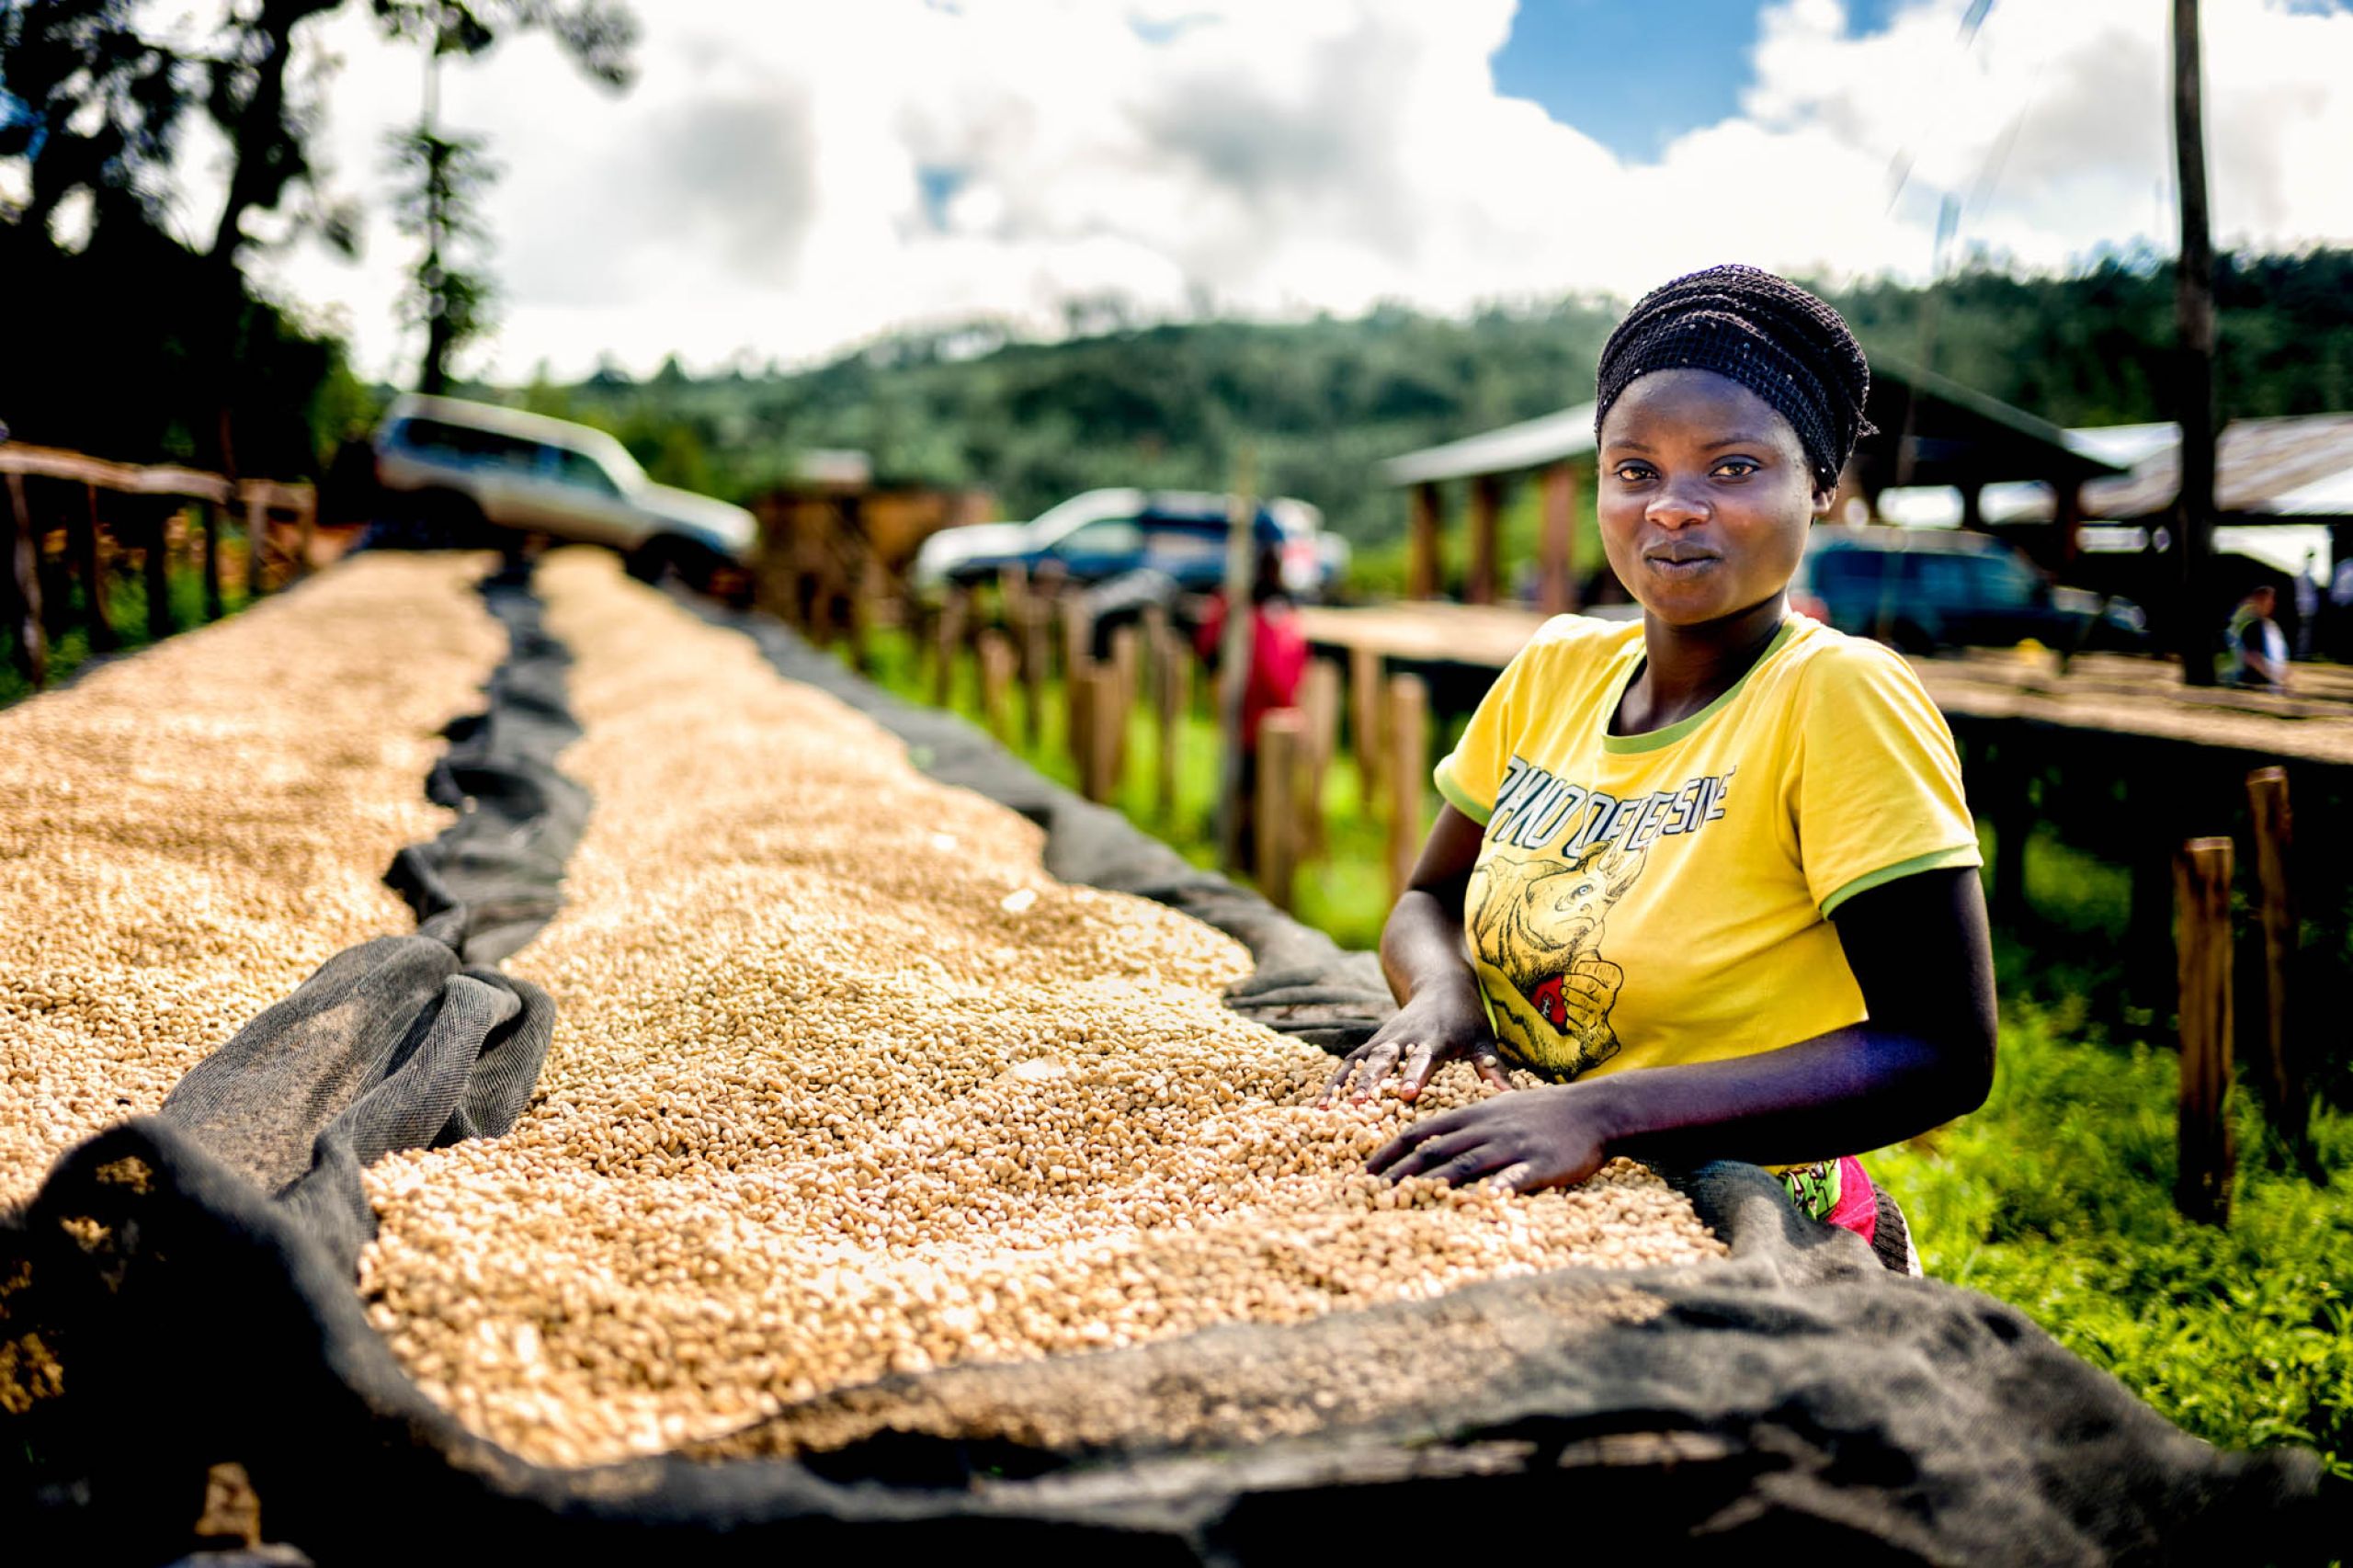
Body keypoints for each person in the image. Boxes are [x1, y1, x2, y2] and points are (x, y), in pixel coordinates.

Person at [1322, 265, 1996, 1274]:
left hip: (1739, 1202)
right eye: (1634, 470)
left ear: (1819, 483)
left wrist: (1604, 1113)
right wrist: (1441, 993)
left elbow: (1939, 1048)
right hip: (1524, 1156)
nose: (1672, 508)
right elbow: (1426, 897)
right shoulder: (1554, 668)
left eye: (1731, 468)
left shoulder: (1838, 699)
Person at [1195, 542, 1309, 870]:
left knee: (1250, 785)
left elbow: (1208, 651)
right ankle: (1251, 855)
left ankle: (1250, 853)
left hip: (1255, 716)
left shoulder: (1244, 610)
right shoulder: (1260, 615)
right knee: (1255, 788)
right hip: (1259, 716)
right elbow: (1275, 671)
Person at [2220, 585, 2290, 689]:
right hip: (2246, 681)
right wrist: (2276, 678)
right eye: (2269, 601)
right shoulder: (2252, 624)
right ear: (2259, 601)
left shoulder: (2262, 624)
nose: (2272, 604)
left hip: (2247, 680)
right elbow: (2252, 656)